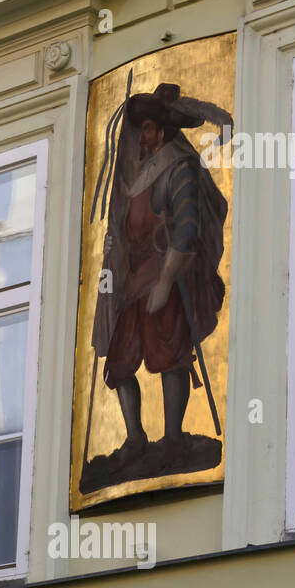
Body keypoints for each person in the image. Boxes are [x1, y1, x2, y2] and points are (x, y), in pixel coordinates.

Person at [93, 83, 228, 467]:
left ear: (163, 131)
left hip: (165, 274)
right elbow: (125, 227)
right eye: (140, 129)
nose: (142, 137)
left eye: (148, 129)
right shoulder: (136, 175)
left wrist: (166, 280)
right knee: (119, 362)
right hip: (135, 279)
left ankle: (172, 439)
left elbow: (187, 228)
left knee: (170, 355)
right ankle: (135, 438)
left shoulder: (178, 168)